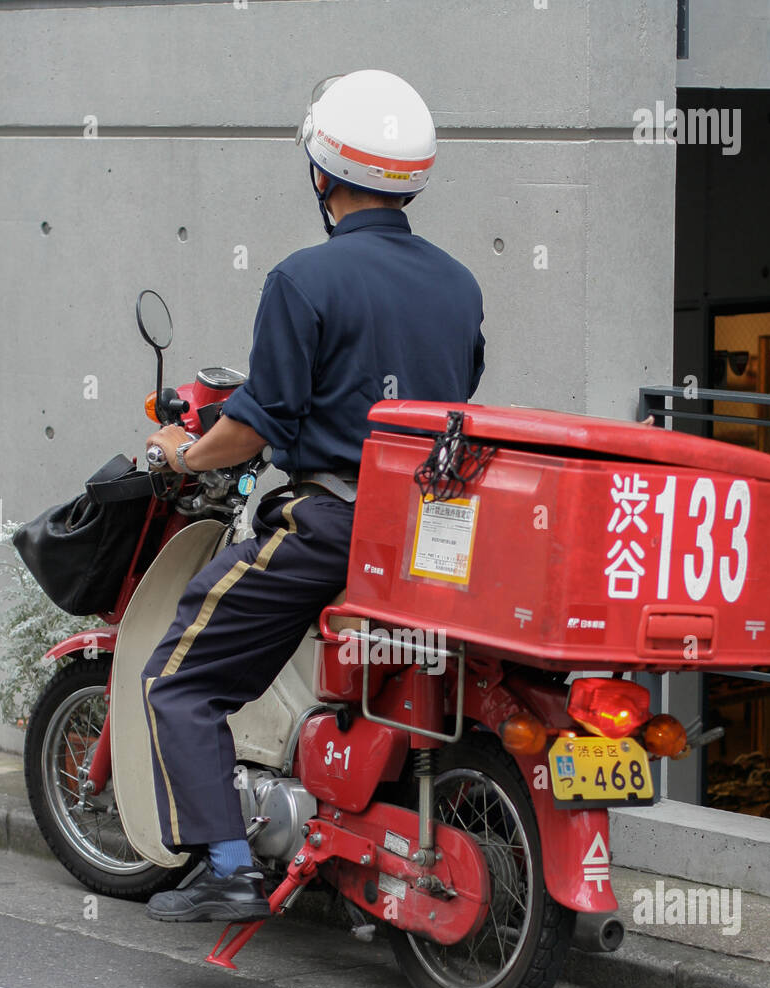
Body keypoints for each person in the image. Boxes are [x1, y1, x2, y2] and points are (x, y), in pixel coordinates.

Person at [142, 69, 485, 922]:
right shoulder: (459, 285)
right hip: (428, 536)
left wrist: (185, 453)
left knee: (179, 682)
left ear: (322, 172)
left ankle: (225, 866)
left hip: (332, 524)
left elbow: (257, 423)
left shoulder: (304, 279)